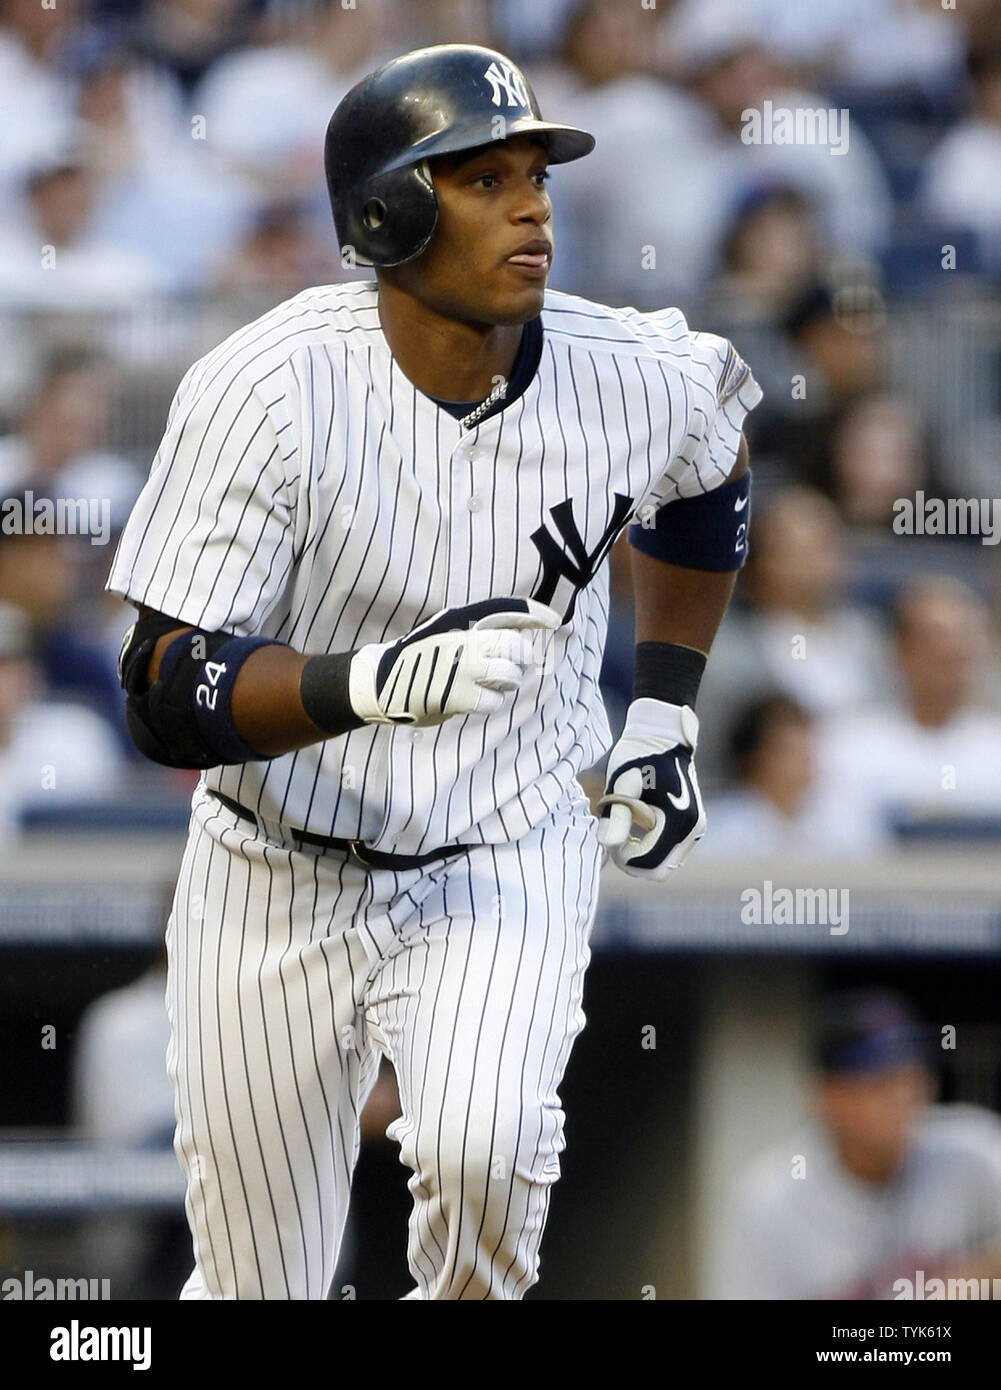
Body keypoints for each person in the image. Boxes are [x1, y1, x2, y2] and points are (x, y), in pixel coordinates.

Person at [108, 43, 761, 1300]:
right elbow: (157, 685)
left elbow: (710, 470)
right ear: (384, 214)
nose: (532, 206)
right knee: (261, 1283)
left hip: (503, 846)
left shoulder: (629, 370)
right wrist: (362, 684)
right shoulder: (268, 388)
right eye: (478, 178)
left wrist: (664, 710)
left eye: (536, 175)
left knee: (485, 1148)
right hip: (272, 863)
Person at [709, 989, 1001, 1300]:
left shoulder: (971, 1150)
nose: (906, 1096)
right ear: (825, 1095)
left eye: (912, 1076)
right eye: (882, 1082)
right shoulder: (769, 1201)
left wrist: (964, 1283)